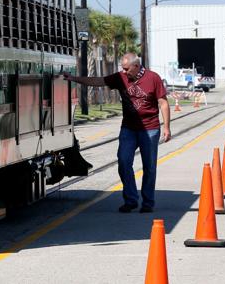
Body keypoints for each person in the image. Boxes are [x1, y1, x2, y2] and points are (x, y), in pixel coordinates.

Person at [63, 53, 171, 213]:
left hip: (150, 128)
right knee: (123, 161)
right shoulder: (120, 77)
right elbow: (98, 81)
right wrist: (73, 78)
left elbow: (163, 103)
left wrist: (167, 127)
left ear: (136, 66)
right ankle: (131, 199)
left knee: (149, 166)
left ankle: (147, 202)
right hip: (128, 128)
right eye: (123, 68)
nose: (124, 71)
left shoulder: (153, 78)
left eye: (127, 68)